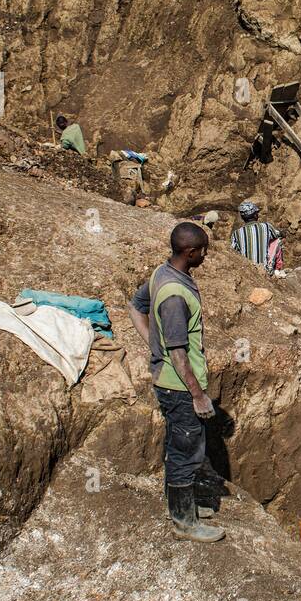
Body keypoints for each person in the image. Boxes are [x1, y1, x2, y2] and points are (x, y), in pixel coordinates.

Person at [128, 221, 225, 543]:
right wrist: (197, 395)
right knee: (186, 450)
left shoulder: (162, 273)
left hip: (170, 379)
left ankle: (183, 508)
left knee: (180, 445)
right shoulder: (173, 295)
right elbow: (179, 352)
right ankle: (184, 523)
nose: (206, 256)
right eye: (203, 251)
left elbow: (136, 306)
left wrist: (152, 343)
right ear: (191, 251)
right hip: (180, 386)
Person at [229, 200, 283, 272]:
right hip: (264, 270)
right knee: (276, 241)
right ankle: (276, 270)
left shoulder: (236, 233)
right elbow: (278, 234)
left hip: (246, 270)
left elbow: (233, 251)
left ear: (242, 218)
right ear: (255, 215)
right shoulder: (266, 226)